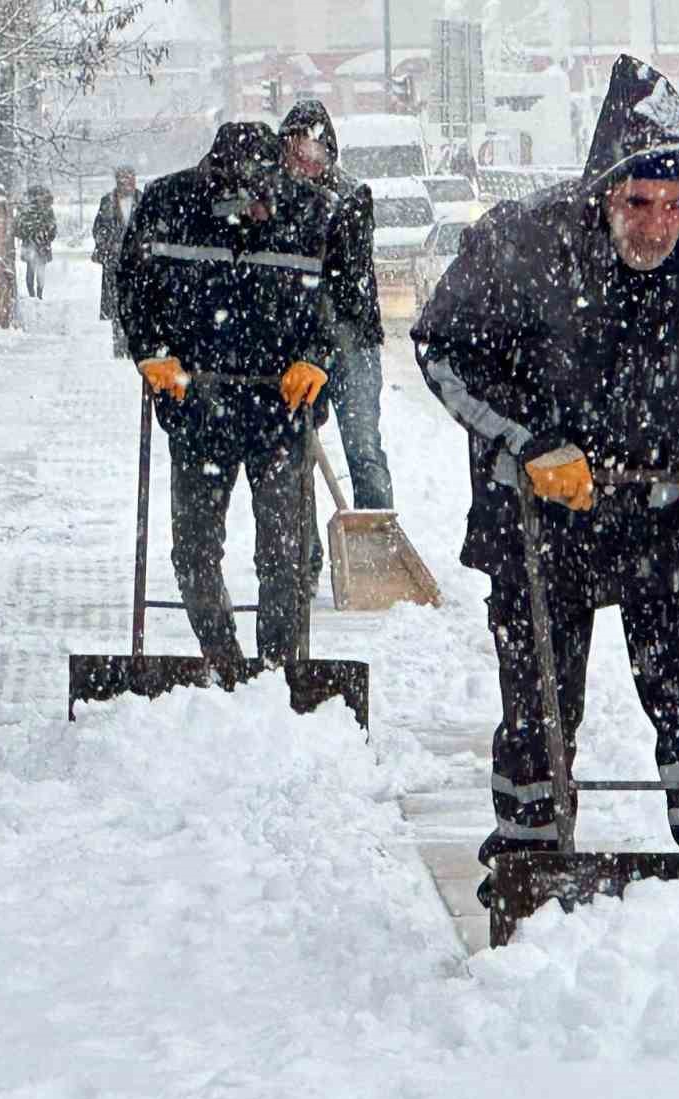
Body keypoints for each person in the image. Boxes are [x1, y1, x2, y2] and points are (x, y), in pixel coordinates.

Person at [411, 56, 679, 903]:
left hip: (676, 511)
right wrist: (532, 444)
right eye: (640, 202)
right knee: (542, 710)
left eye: (675, 204)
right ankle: (526, 859)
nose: (659, 222)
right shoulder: (523, 240)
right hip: (544, 515)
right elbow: (443, 346)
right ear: (604, 190)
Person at [116, 122, 337, 681]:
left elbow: (339, 302)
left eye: (262, 196)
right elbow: (133, 288)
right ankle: (224, 660)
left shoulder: (309, 214)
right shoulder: (167, 204)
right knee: (192, 553)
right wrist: (152, 352)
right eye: (239, 196)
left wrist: (316, 356)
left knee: (284, 559)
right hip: (197, 410)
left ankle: (278, 669)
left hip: (279, 413)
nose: (254, 210)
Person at [276, 101, 392, 594]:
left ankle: (379, 556)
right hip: (301, 346)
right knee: (298, 449)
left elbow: (346, 281)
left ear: (328, 150)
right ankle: (305, 562)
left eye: (312, 148)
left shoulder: (349, 197)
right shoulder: (277, 199)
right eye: (295, 149)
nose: (304, 160)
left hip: (352, 342)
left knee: (362, 448)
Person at [91, 166, 140, 356]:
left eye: (129, 179)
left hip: (138, 263)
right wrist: (109, 243)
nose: (126, 183)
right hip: (114, 262)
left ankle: (134, 346)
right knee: (118, 304)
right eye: (122, 179)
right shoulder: (107, 202)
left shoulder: (143, 199)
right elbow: (98, 229)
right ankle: (120, 347)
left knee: (136, 305)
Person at [13, 185, 57, 299]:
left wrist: (29, 234)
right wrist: (45, 235)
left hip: (32, 243)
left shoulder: (26, 210)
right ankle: (38, 294)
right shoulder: (46, 210)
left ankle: (34, 294)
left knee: (32, 269)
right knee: (38, 270)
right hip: (41, 244)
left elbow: (18, 228)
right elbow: (53, 228)